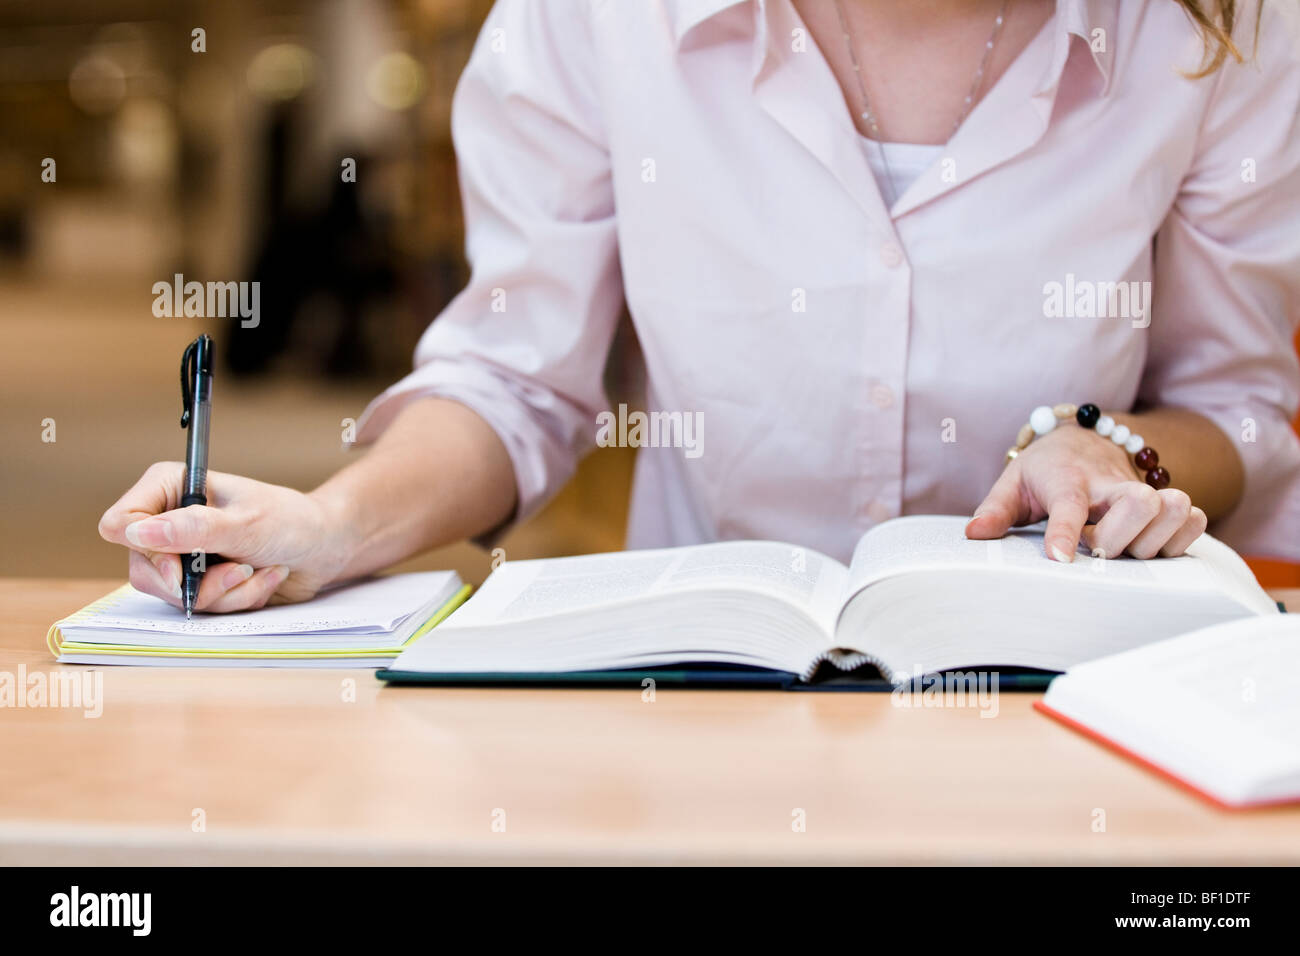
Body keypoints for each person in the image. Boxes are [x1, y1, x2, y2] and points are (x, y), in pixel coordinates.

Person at [99, 0, 1300, 613]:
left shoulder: (1216, 32)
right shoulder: (600, 20)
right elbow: (513, 379)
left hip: (1062, 690)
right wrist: (329, 529)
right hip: (703, 686)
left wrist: (1118, 452)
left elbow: (1237, 407)